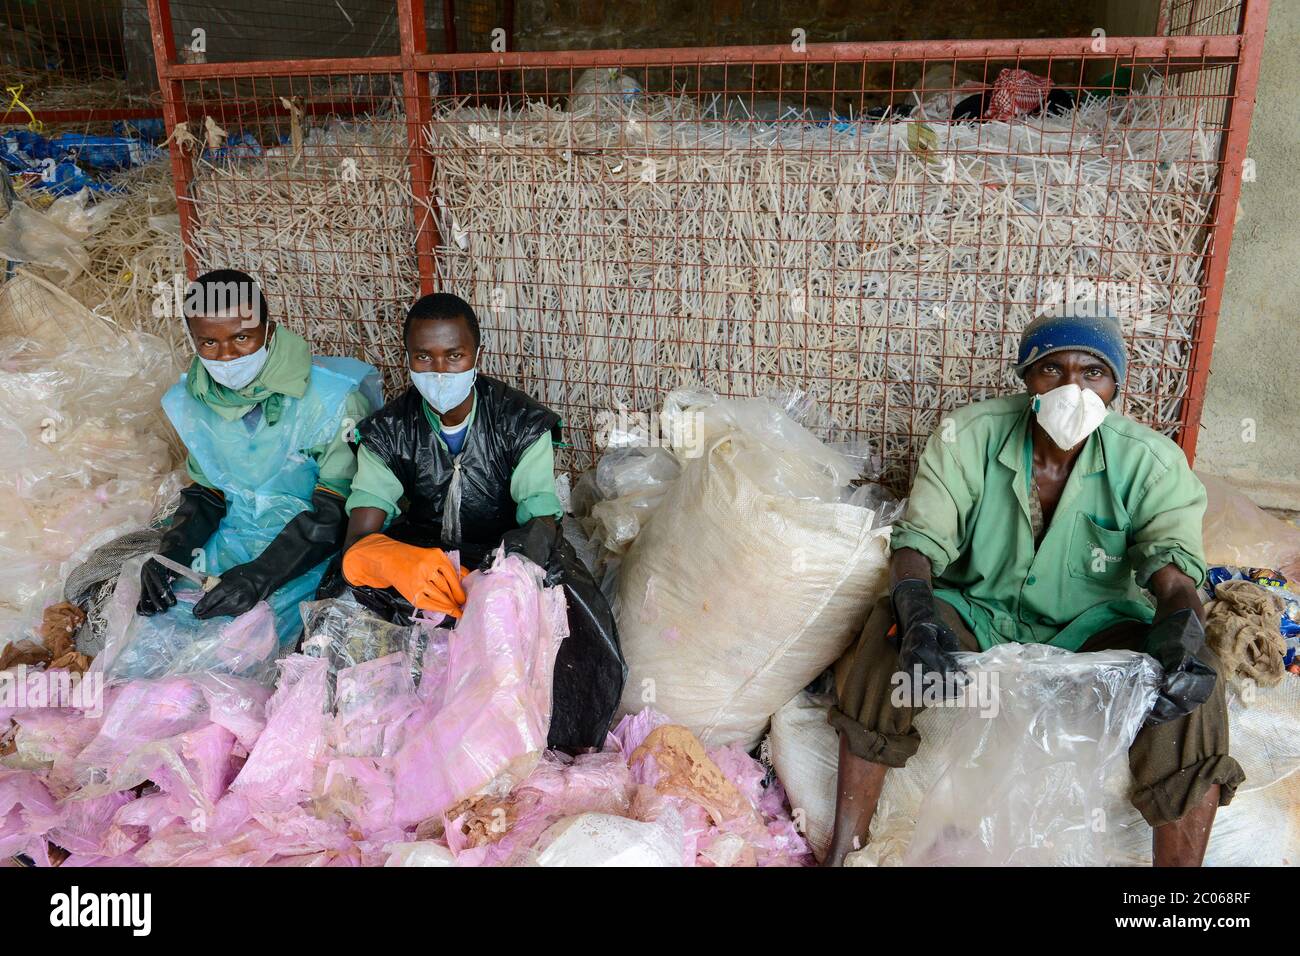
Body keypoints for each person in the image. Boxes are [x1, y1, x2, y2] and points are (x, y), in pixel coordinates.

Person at [825, 310, 1244, 867]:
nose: (1073, 387)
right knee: (887, 631)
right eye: (1052, 369)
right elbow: (917, 545)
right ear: (1027, 379)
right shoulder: (969, 437)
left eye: (1093, 372)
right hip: (979, 610)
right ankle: (843, 851)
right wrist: (917, 611)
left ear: (1115, 384)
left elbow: (1171, 572)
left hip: (1097, 627)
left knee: (1197, 686)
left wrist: (1183, 635)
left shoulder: (1150, 462)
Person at [338, 292, 625, 751]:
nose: (439, 370)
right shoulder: (387, 432)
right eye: (423, 357)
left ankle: (551, 739)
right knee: (347, 595)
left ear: (477, 356)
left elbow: (541, 520)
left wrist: (502, 581)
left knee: (567, 607)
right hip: (423, 554)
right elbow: (359, 540)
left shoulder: (522, 423)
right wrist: (395, 563)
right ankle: (386, 729)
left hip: (499, 551)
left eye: (454, 356)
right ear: (407, 359)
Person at [132, 269, 377, 662]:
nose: (227, 356)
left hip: (306, 553)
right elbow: (207, 493)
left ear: (270, 329)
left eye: (242, 338)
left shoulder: (332, 400)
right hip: (234, 539)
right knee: (151, 644)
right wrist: (171, 556)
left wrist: (259, 577)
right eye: (209, 342)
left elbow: (337, 511)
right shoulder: (195, 400)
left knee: (231, 655)